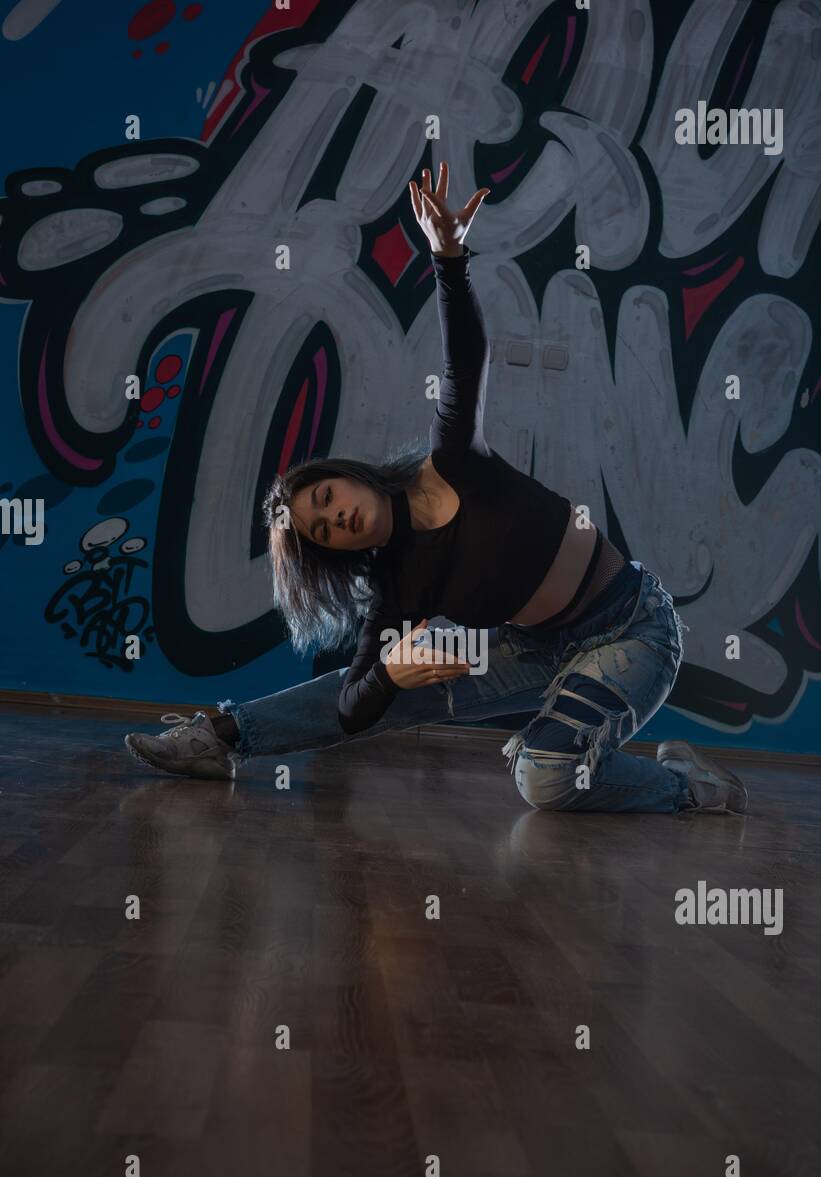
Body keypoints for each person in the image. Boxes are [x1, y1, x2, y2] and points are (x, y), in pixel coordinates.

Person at [125, 163, 747, 815]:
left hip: (632, 629)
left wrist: (449, 259)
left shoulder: (450, 462)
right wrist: (391, 671)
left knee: (545, 782)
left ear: (349, 478)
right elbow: (352, 701)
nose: (338, 518)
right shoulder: (400, 582)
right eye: (325, 531)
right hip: (531, 650)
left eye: (328, 500)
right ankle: (220, 736)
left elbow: (464, 362)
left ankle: (687, 784)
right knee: (406, 672)